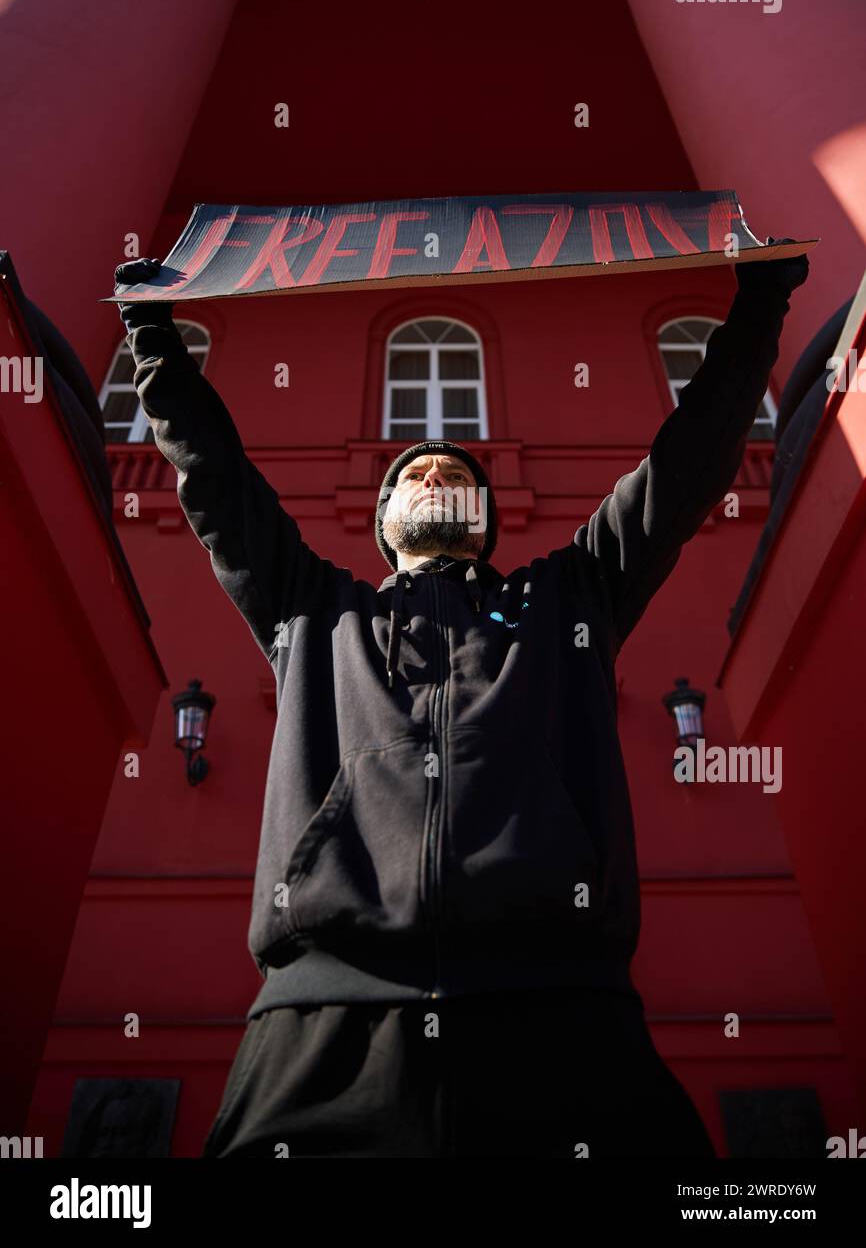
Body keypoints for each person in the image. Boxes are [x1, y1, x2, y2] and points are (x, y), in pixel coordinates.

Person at [113, 240, 809, 1159]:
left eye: (456, 474)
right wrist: (152, 335)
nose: (433, 473)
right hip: (322, 1028)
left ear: (487, 524)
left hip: (565, 1022)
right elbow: (214, 479)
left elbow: (683, 471)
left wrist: (759, 308)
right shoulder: (314, 613)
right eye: (412, 475)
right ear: (384, 526)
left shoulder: (573, 598)